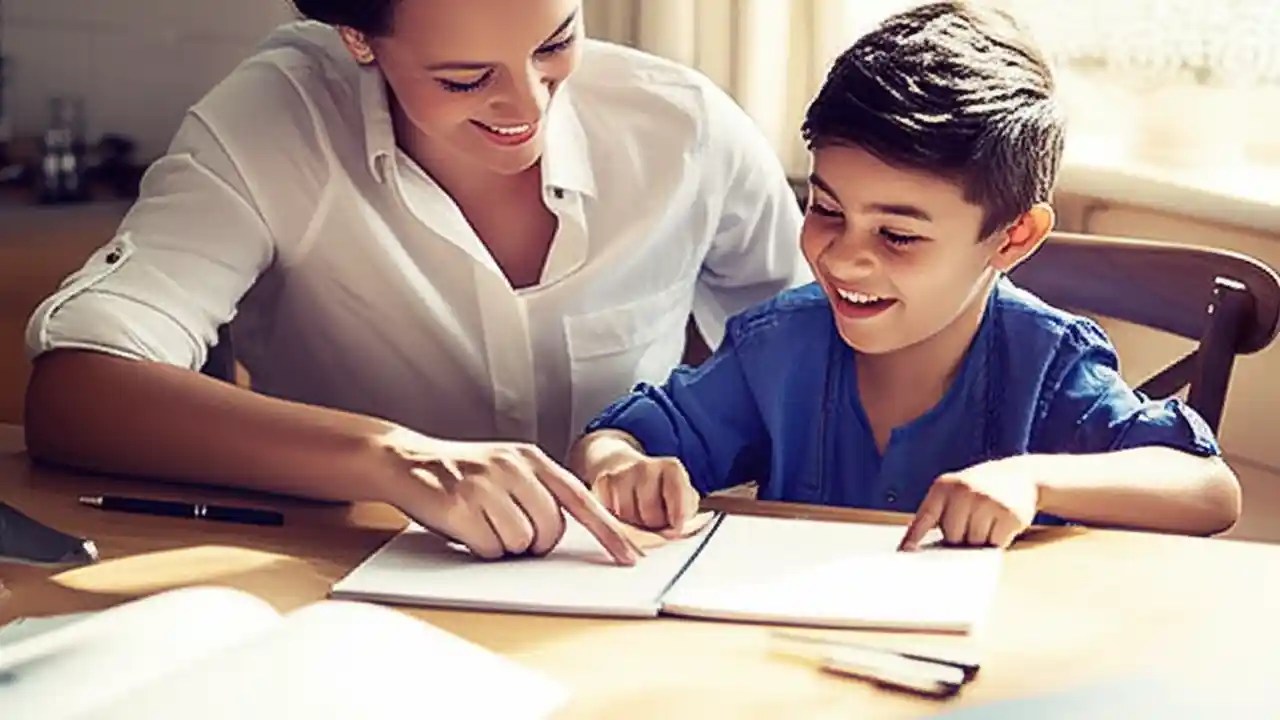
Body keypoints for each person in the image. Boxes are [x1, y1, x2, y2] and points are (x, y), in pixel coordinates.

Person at [22, 0, 808, 563]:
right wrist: (394, 459)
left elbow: (822, 356)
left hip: (630, 584)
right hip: (339, 591)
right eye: (466, 79)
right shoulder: (269, 125)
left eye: (555, 43)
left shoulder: (683, 126)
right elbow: (75, 395)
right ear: (358, 38)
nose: (526, 104)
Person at [569, 1, 1242, 550]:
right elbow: (616, 439)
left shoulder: (1046, 363)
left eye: (897, 235)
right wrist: (620, 467)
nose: (841, 257)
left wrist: (1033, 481)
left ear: (1013, 237)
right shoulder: (779, 347)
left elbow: (1209, 491)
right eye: (826, 208)